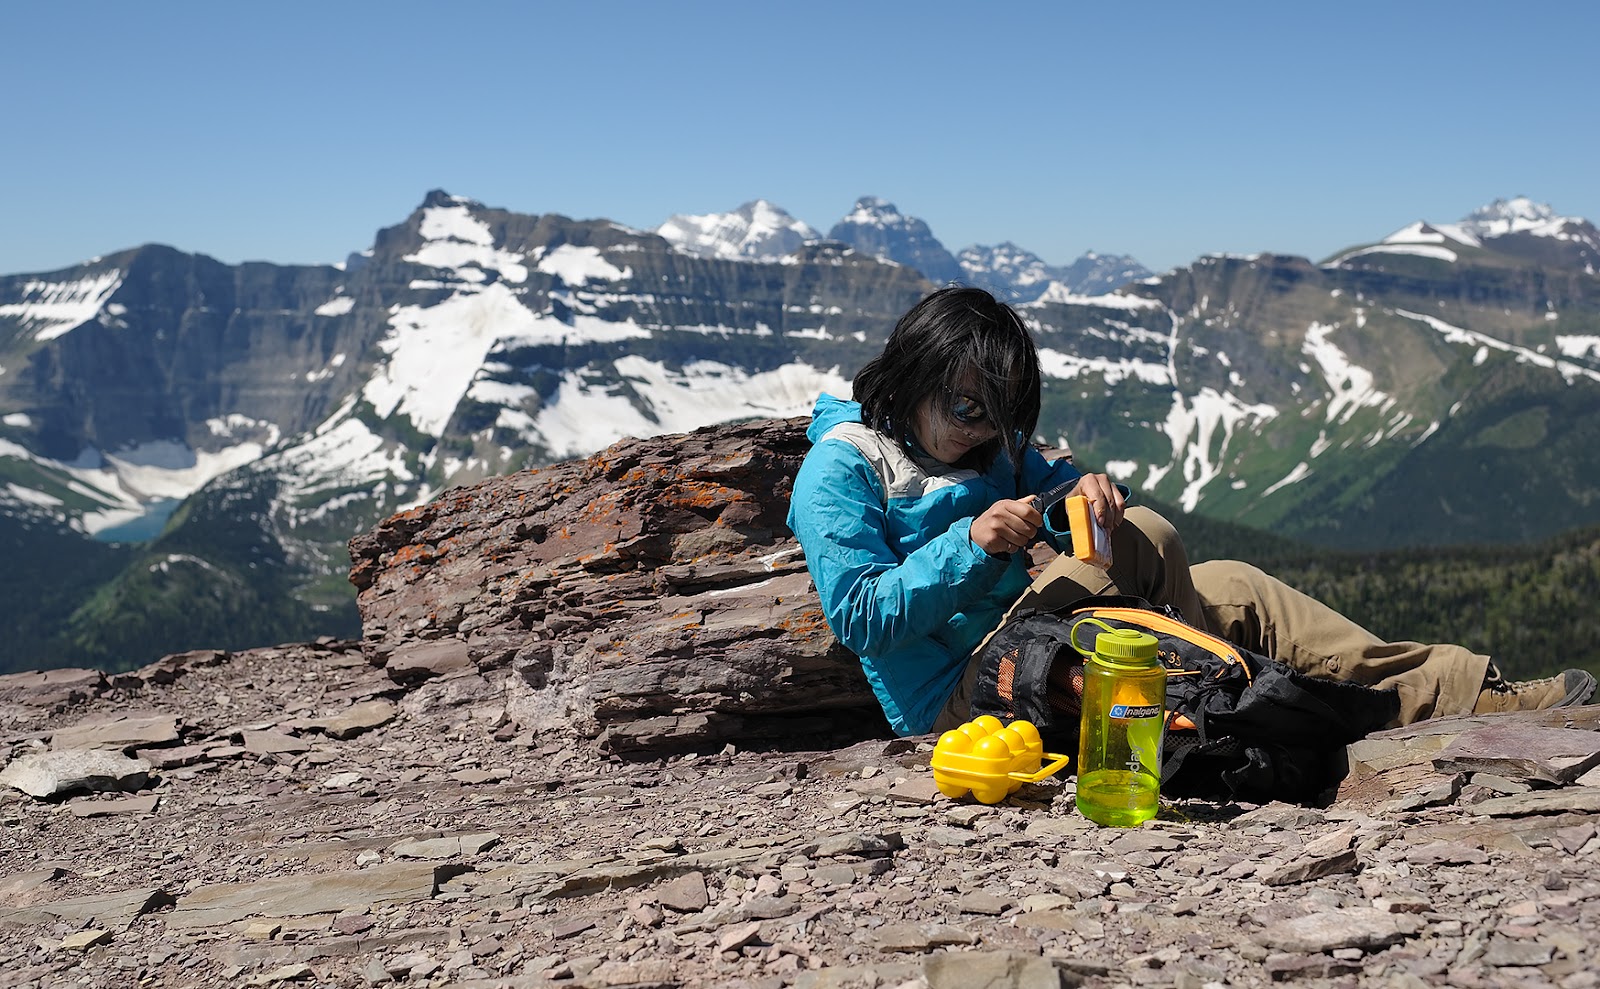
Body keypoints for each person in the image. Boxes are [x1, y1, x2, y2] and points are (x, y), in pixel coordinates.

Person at [787, 286, 1596, 738]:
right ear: (914, 372)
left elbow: (1059, 481)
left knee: (1236, 581)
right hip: (963, 696)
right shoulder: (844, 466)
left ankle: (1470, 691)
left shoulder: (986, 445)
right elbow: (861, 616)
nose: (979, 435)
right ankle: (1223, 702)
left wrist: (1084, 491)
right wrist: (967, 544)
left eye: (998, 420)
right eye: (965, 408)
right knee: (1156, 540)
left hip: (1037, 641)